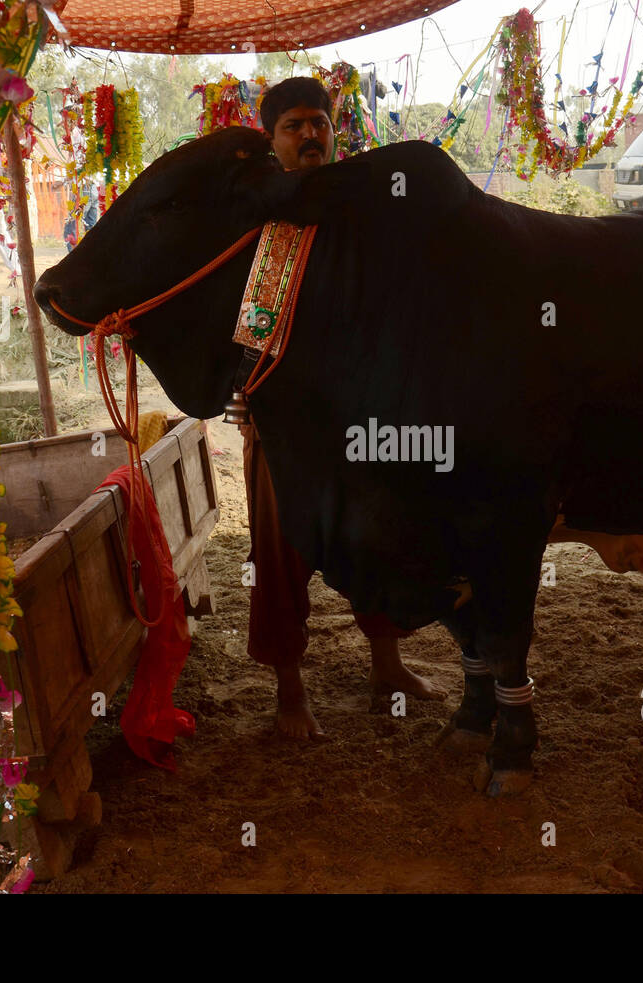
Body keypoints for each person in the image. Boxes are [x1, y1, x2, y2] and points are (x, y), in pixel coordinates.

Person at [243, 77, 445, 739]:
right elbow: (249, 334)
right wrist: (247, 397)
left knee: (377, 541)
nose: (310, 135)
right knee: (280, 559)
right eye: (294, 125)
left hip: (362, 420)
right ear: (271, 140)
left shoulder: (364, 210)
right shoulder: (264, 224)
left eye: (319, 123)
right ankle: (290, 697)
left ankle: (386, 666)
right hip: (283, 426)